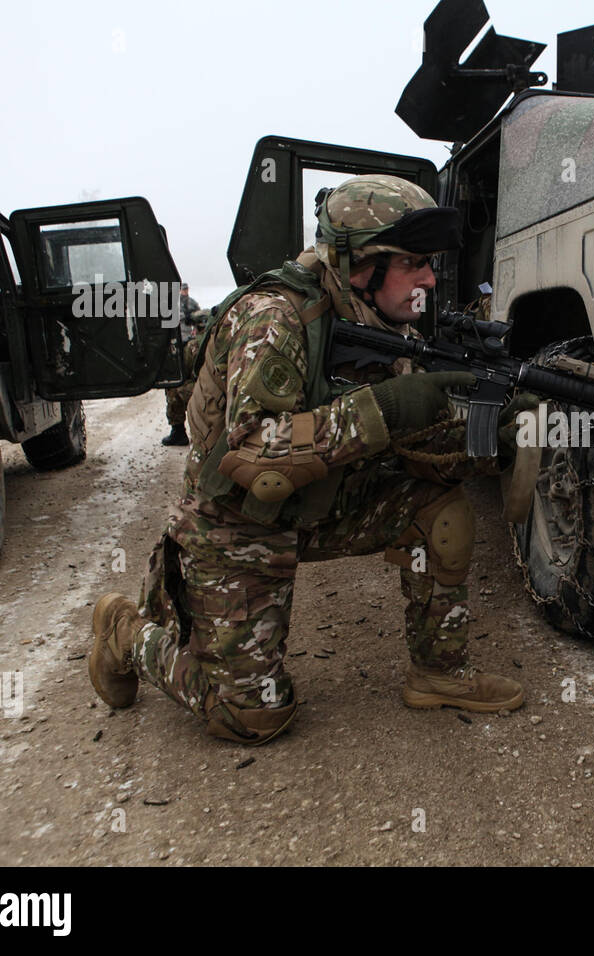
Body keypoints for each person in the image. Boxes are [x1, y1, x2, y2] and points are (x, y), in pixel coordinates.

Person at [90, 175, 528, 745]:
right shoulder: (273, 319)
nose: (429, 278)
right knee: (252, 717)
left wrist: (489, 436)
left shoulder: (384, 325)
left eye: (431, 264)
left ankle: (439, 672)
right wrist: (387, 407)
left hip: (325, 503)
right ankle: (127, 632)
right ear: (359, 266)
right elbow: (255, 456)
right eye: (414, 262)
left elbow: (417, 460)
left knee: (440, 513)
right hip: (238, 523)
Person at [161, 291, 208, 447]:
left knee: (174, 386)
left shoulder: (193, 346)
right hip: (220, 391)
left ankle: (179, 431)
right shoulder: (220, 340)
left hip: (205, 392)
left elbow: (186, 371)